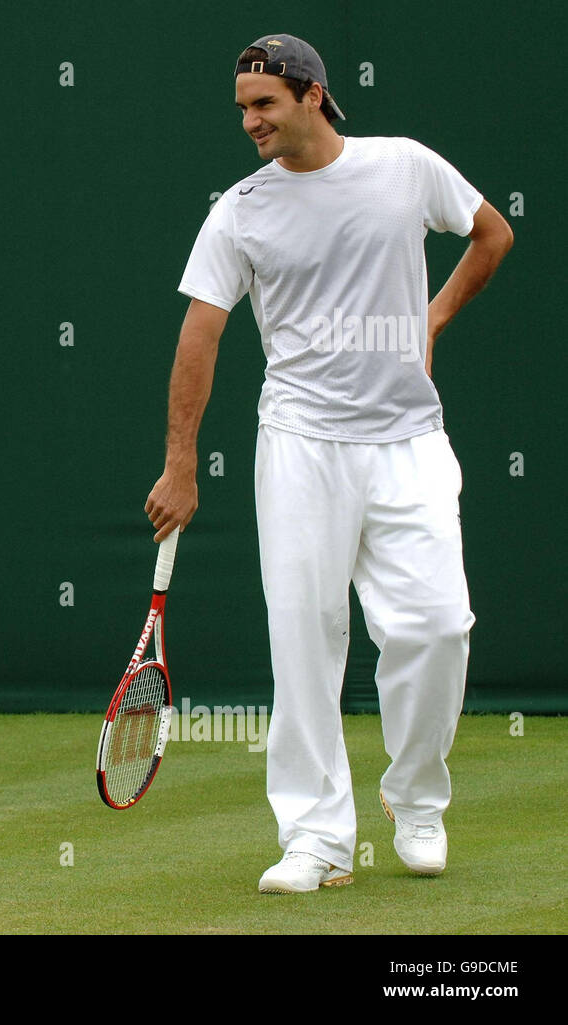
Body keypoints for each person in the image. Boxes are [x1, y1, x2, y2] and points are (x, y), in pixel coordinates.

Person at [144, 37, 513, 892]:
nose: (250, 121)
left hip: (409, 443)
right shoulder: (238, 210)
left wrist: (433, 317)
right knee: (305, 641)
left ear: (313, 96)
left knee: (437, 625)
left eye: (263, 104)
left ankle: (417, 798)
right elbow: (200, 334)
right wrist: (181, 463)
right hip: (302, 447)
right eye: (242, 107)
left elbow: (492, 234)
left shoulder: (406, 168)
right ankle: (315, 838)